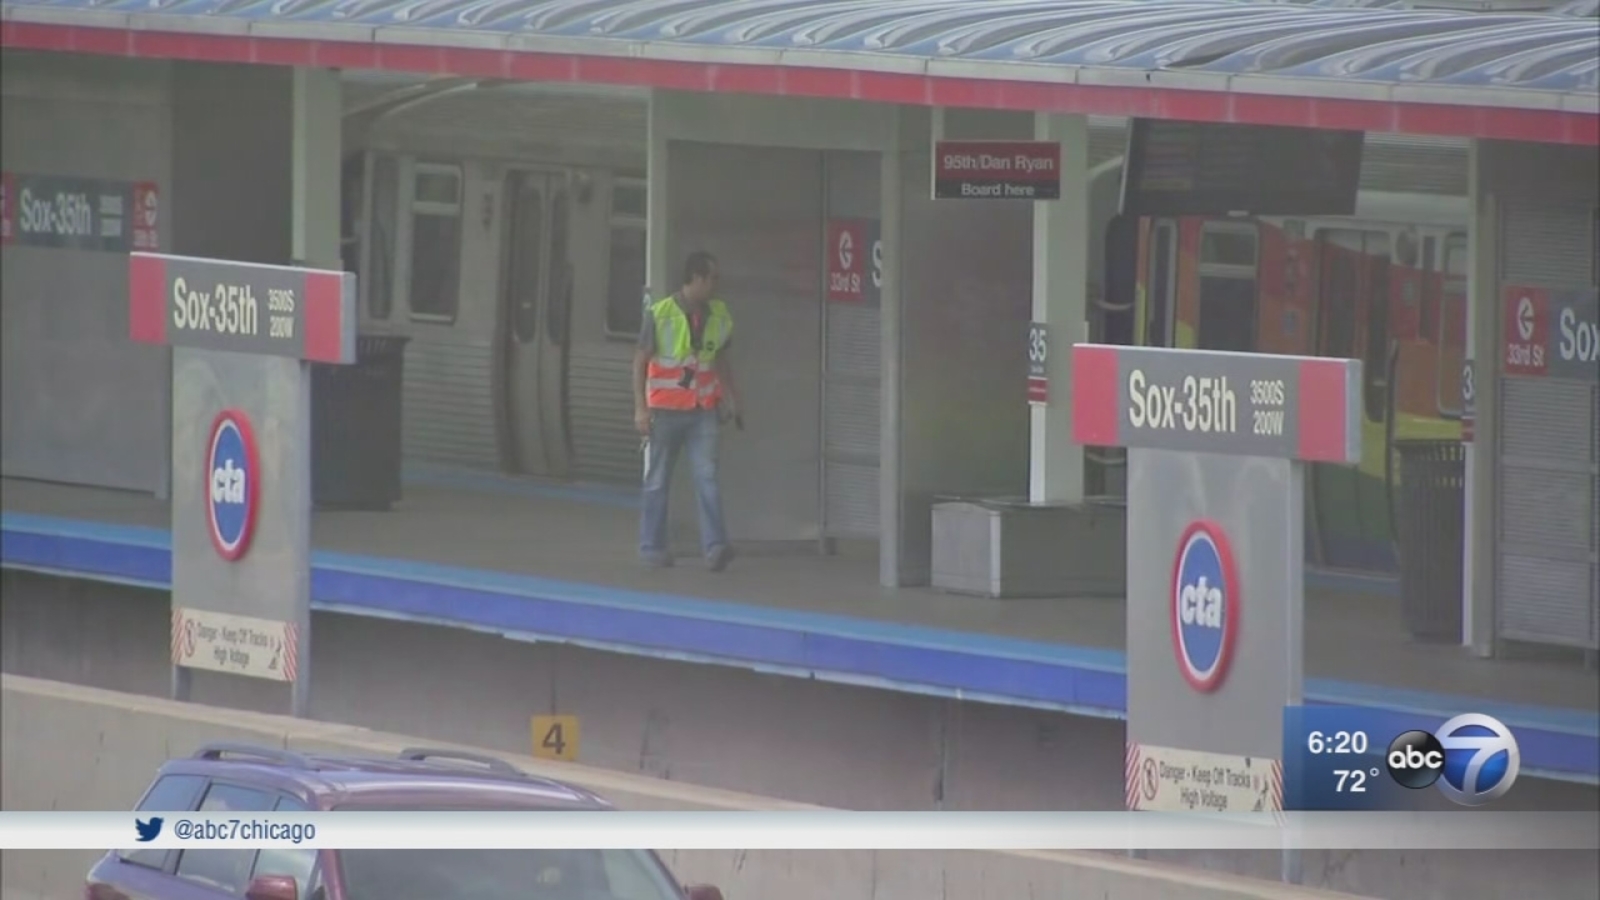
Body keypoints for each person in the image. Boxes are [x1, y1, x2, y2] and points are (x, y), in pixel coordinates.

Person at [633, 251, 741, 571]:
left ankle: (715, 547)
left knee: (707, 477)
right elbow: (640, 361)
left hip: (703, 409)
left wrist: (731, 396)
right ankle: (652, 547)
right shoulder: (661, 314)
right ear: (696, 278)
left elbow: (719, 358)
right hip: (665, 412)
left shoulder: (718, 314)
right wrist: (640, 409)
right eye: (712, 278)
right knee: (657, 480)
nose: (716, 284)